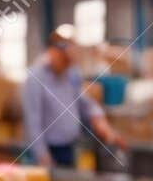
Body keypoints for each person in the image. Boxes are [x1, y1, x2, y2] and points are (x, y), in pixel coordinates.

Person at [20, 26, 121, 169]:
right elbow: (33, 123)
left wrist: (99, 119)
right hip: (48, 151)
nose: (67, 65)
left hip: (69, 148)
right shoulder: (35, 79)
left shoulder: (71, 74)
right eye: (64, 60)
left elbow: (84, 102)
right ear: (53, 52)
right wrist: (43, 156)